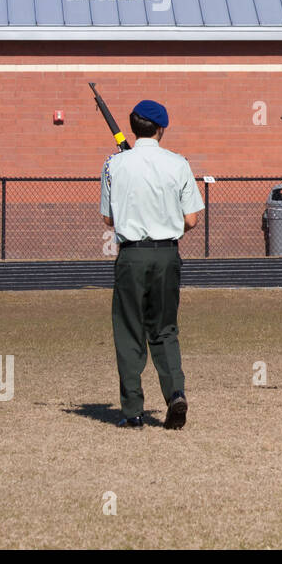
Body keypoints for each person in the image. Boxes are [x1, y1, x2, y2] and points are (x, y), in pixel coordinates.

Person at [99, 99, 204, 430]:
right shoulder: (178, 163)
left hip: (131, 254)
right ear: (161, 129)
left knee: (129, 330)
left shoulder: (114, 164)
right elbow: (191, 220)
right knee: (165, 329)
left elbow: (107, 218)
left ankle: (132, 410)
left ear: (134, 127)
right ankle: (175, 392)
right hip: (166, 254)